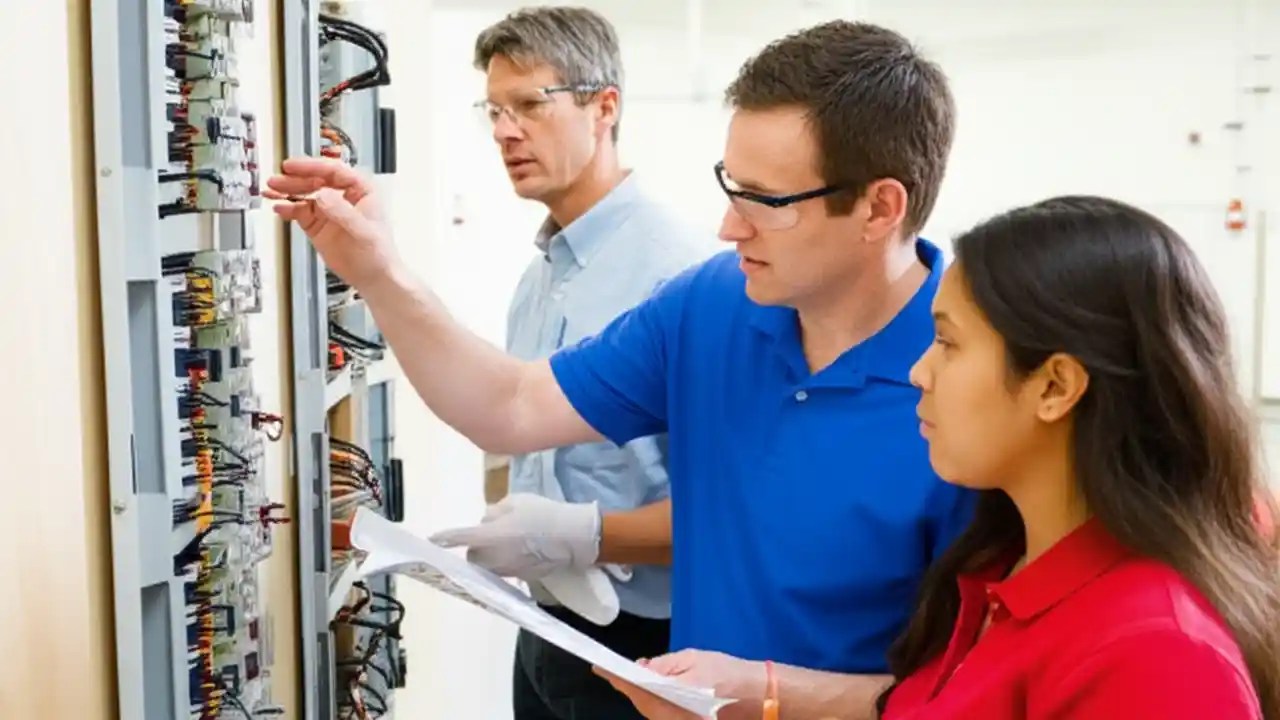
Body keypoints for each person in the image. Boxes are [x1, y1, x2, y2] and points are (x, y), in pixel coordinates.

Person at [265, 19, 975, 720]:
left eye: (766, 201)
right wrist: (379, 271)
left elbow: (990, 692)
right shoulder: (712, 303)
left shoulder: (975, 380)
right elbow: (512, 405)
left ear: (880, 208)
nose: (730, 227)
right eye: (732, 186)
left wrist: (770, 697)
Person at [870, 196, 1279, 718]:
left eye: (948, 343)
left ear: (1055, 387)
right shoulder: (1000, 567)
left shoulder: (1156, 654)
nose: (919, 373)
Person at [429, 7, 712, 720]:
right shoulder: (541, 278)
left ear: (603, 106)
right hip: (547, 627)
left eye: (529, 104)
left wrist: (583, 535)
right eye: (493, 110)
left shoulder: (679, 276)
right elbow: (520, 431)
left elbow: (728, 506)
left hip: (647, 644)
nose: (504, 130)